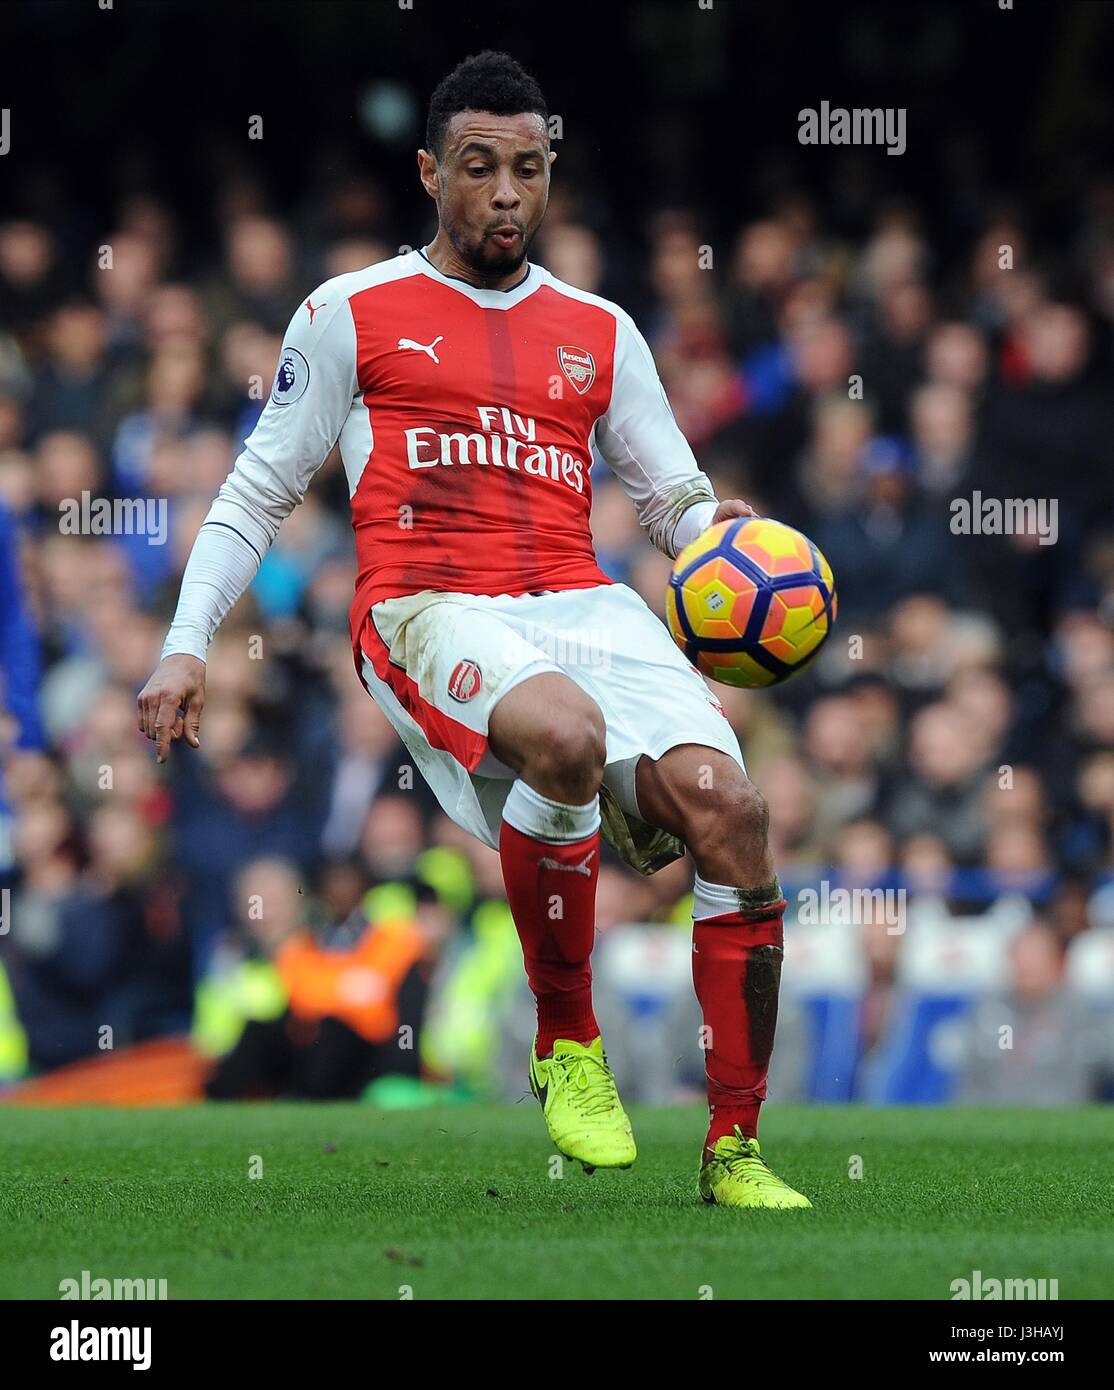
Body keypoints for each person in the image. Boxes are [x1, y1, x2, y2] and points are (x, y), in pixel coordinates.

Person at [137, 52, 808, 1209]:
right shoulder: (349, 313)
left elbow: (672, 496)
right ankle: (567, 1042)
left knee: (733, 813)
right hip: (425, 600)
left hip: (582, 600)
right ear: (430, 171)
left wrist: (715, 533)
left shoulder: (598, 329)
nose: (507, 193)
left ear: (552, 175)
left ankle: (735, 1150)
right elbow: (256, 492)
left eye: (530, 170)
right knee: (564, 734)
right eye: (480, 168)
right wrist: (187, 640)